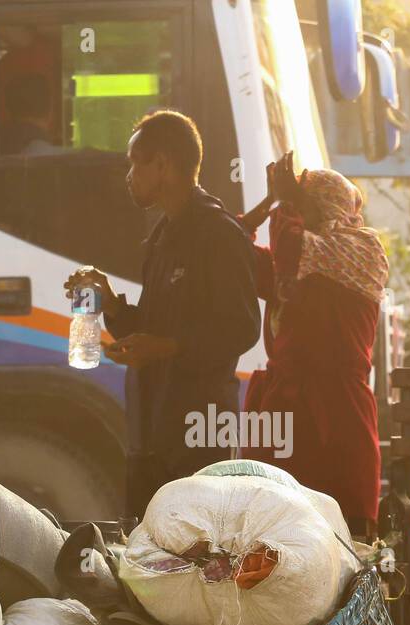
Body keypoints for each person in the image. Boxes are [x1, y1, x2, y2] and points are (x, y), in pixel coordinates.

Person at [64, 110, 260, 519]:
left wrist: (168, 348)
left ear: (163, 165)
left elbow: (242, 328)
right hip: (150, 431)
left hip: (196, 433)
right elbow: (152, 327)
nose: (130, 175)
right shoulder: (161, 236)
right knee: (146, 554)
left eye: (136, 163)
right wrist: (112, 303)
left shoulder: (218, 233)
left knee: (195, 555)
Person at [237, 153, 390, 535]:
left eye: (302, 205)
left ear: (324, 207)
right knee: (274, 538)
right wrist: (270, 202)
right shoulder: (294, 266)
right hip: (285, 413)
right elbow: (232, 248)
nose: (294, 216)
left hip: (338, 418)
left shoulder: (361, 251)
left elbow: (290, 251)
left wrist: (287, 203)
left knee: (343, 539)